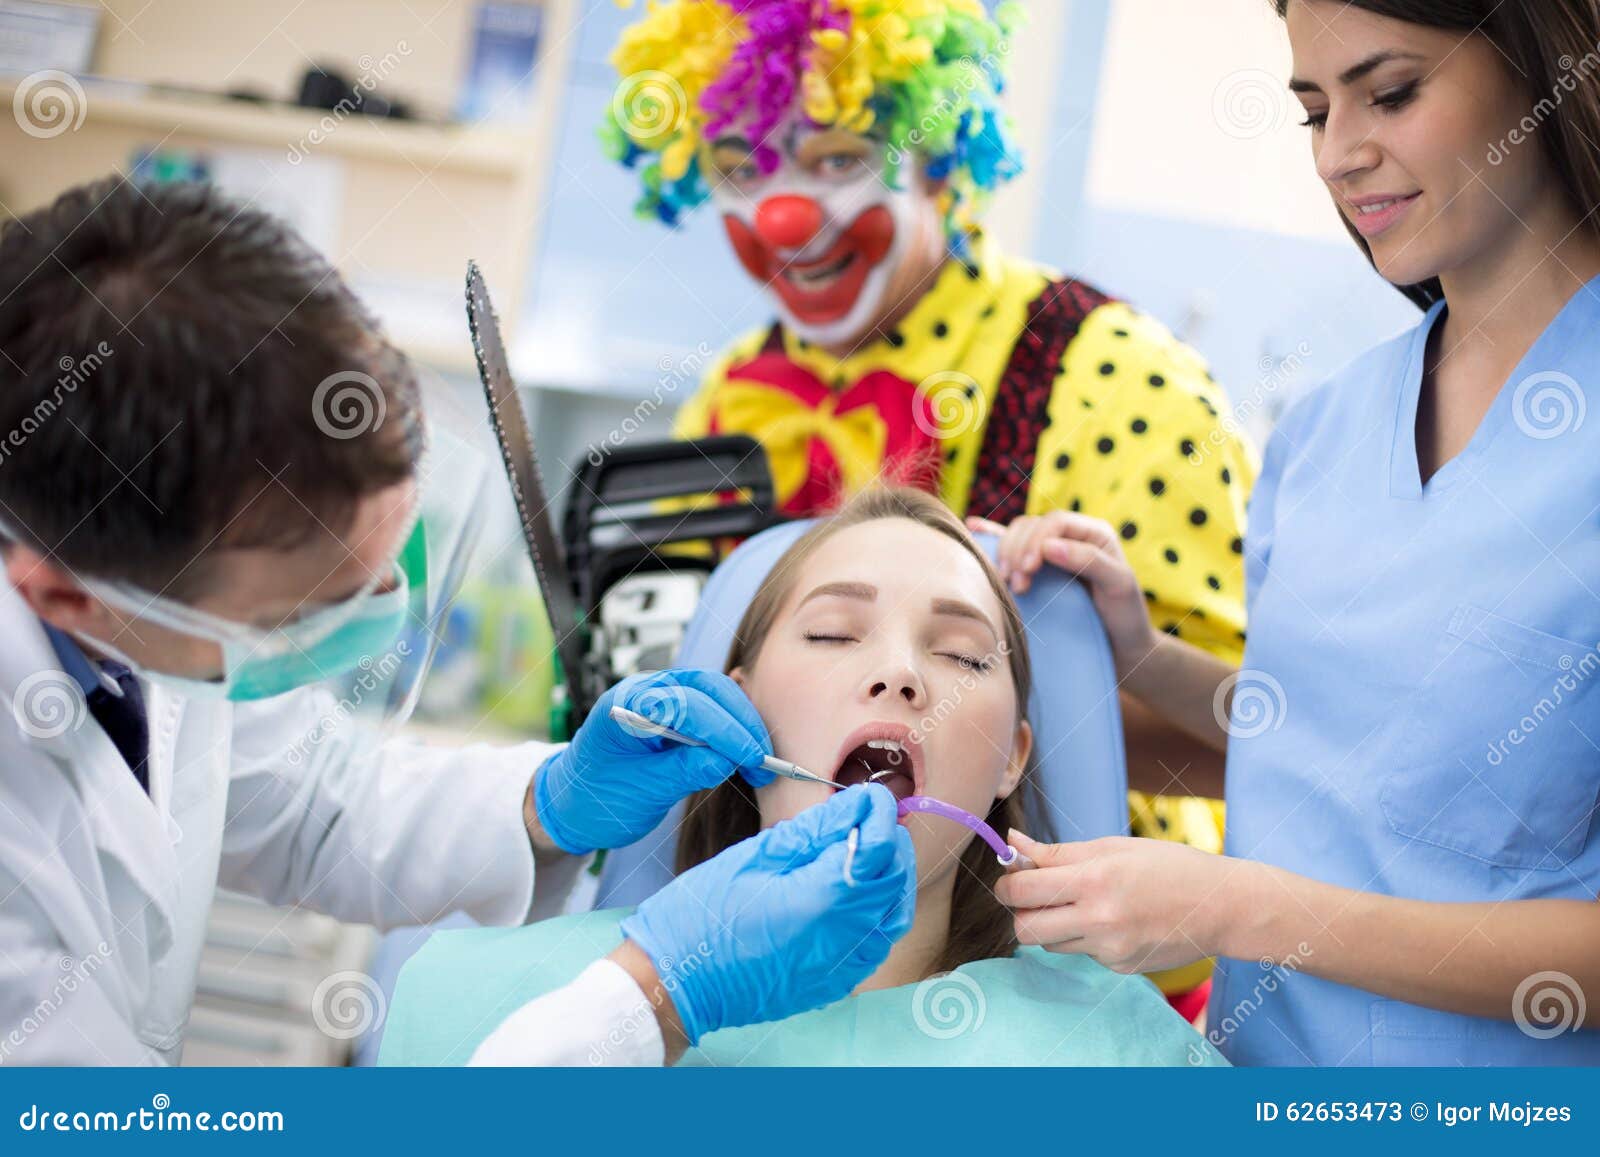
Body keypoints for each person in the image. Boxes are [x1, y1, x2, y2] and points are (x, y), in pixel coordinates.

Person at [0, 178, 913, 1065]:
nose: (389, 603)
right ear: (71, 598)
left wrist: (549, 802)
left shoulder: (144, 609)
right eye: (304, 610)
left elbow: (310, 802)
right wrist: (655, 1000)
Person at [603, 0, 1259, 1010]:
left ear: (940, 159)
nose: (785, 214)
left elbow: (1256, 741)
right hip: (775, 976)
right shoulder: (726, 393)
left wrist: (1021, 694)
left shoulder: (1119, 376)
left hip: (1085, 995)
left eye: (835, 159)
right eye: (741, 168)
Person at [980, 0, 1600, 1066]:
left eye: (1391, 92)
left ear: (1542, 63)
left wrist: (1235, 908)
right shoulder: (1324, 432)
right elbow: (1346, 755)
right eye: (1313, 111)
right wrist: (1140, 655)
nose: (1340, 153)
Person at [381, 489, 1223, 1067]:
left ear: (1013, 756)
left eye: (963, 654)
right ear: (735, 710)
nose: (899, 675)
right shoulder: (476, 1001)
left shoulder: (1125, 1058)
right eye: (831, 634)